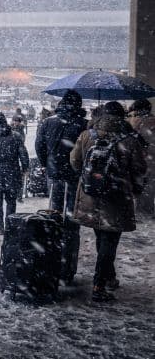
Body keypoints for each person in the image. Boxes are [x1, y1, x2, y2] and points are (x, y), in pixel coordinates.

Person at [70, 101, 146, 302]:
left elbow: (75, 161)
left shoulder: (88, 135)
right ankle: (99, 284)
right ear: (122, 116)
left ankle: (108, 277)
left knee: (102, 237)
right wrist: (135, 188)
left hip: (91, 196)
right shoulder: (129, 139)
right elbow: (139, 169)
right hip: (117, 197)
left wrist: (90, 178)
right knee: (109, 240)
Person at [34, 89, 88, 284]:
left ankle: (51, 261)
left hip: (54, 176)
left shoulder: (48, 122)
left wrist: (48, 164)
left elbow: (39, 146)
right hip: (75, 177)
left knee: (52, 218)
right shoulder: (84, 124)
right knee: (72, 222)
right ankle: (67, 268)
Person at [0, 112, 30, 234]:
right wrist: (25, 168)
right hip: (12, 173)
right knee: (11, 201)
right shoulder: (16, 136)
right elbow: (23, 155)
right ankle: (10, 225)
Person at [128, 98, 155, 215]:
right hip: (152, 158)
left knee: (136, 183)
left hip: (137, 157)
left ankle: (136, 210)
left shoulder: (133, 122)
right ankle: (146, 210)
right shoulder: (153, 121)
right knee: (150, 185)